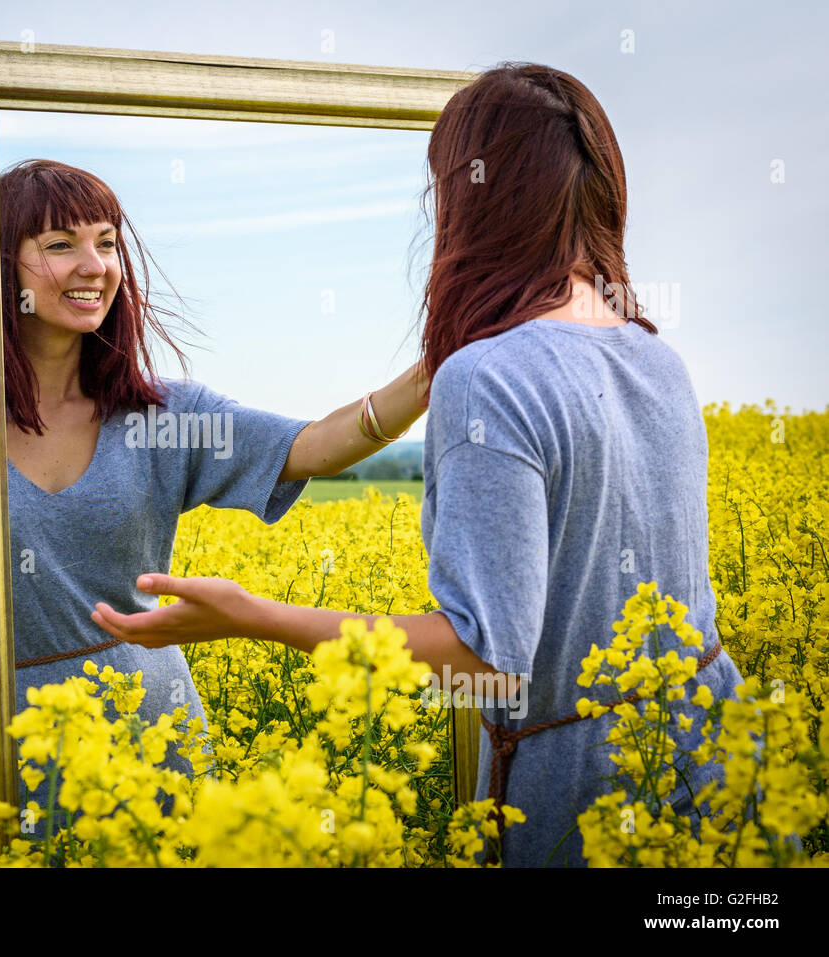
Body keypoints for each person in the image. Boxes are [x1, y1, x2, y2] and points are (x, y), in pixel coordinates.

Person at [90, 63, 745, 867]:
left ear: (473, 197)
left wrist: (248, 614)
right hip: (723, 768)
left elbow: (483, 663)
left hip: (590, 799)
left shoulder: (489, 377)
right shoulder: (653, 355)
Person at [0, 159, 430, 829]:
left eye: (107, 242)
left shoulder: (163, 415)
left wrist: (434, 368)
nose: (95, 265)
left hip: (157, 733)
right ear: (3, 267)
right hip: (10, 748)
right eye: (60, 245)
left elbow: (310, 444)